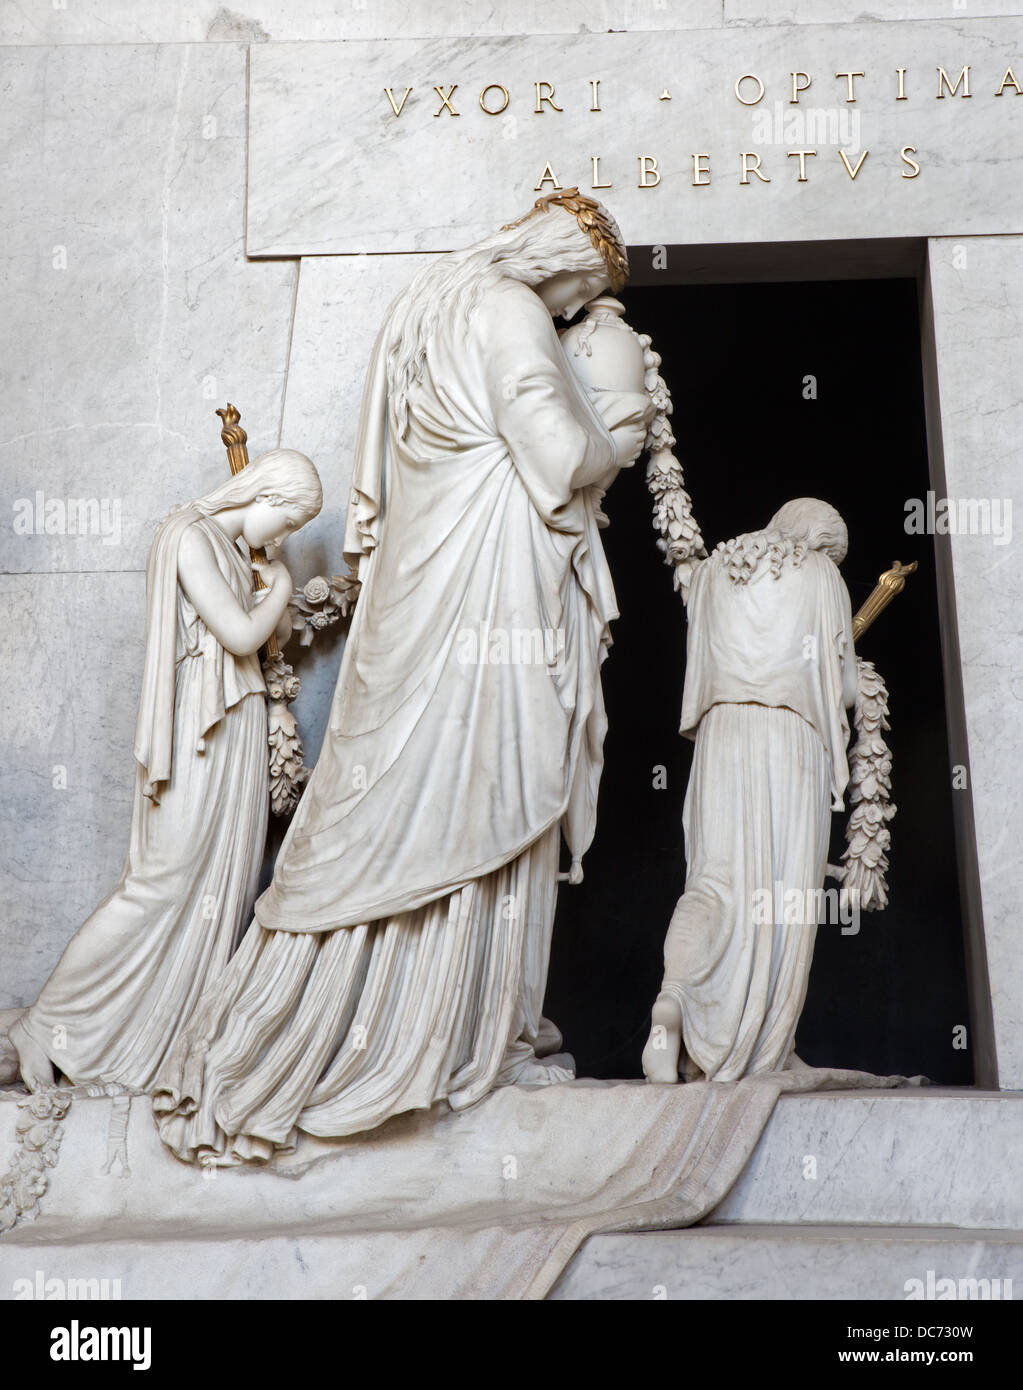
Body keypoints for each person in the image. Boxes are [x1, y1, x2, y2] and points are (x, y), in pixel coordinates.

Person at [154, 190, 654, 1164]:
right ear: (555, 261)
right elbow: (557, 458)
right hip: (488, 588)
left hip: (418, 589)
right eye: (577, 291)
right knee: (479, 790)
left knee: (405, 791)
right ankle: (446, 1040)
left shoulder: (422, 301)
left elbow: (386, 475)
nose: (569, 309)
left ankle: (384, 1021)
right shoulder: (507, 307)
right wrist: (619, 433)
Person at [10, 450, 322, 1092]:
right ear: (260, 492)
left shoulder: (238, 555)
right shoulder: (188, 535)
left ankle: (157, 1043)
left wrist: (270, 584)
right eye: (287, 520)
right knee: (158, 884)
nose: (285, 537)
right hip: (199, 736)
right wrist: (282, 586)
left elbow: (270, 640)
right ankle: (45, 1026)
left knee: (217, 895)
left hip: (238, 732)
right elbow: (239, 635)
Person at [642, 498, 859, 1085]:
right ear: (818, 537)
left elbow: (701, 662)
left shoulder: (716, 569)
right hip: (789, 739)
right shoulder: (820, 576)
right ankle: (764, 1044)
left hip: (723, 736)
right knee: (782, 897)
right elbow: (840, 691)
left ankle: (675, 999)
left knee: (711, 881)